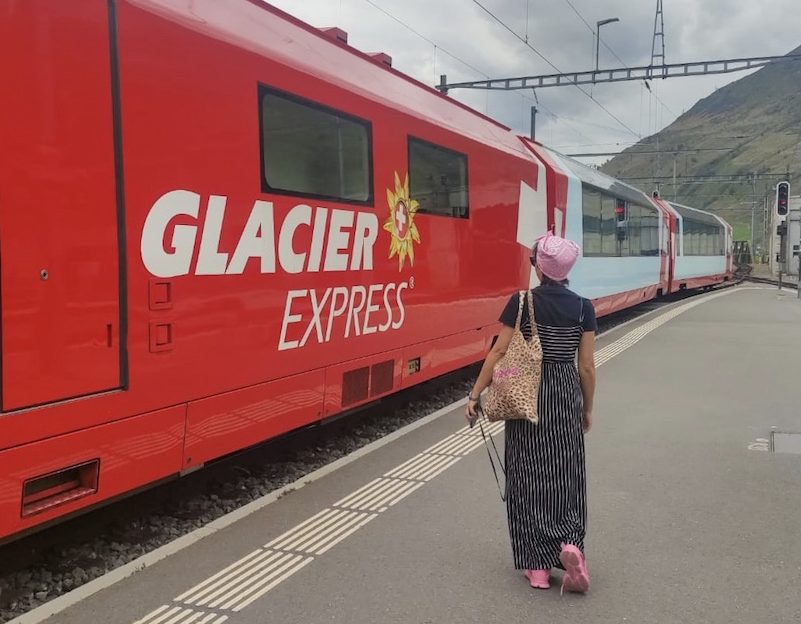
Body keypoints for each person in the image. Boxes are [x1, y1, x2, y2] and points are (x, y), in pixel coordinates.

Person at [465, 232, 597, 594]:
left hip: (527, 396)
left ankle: (537, 568)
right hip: (564, 393)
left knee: (527, 476)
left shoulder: (520, 302)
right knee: (566, 473)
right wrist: (587, 408)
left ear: (538, 267)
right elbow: (586, 367)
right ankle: (569, 545)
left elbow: (498, 353)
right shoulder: (584, 307)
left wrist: (475, 394)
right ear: (568, 269)